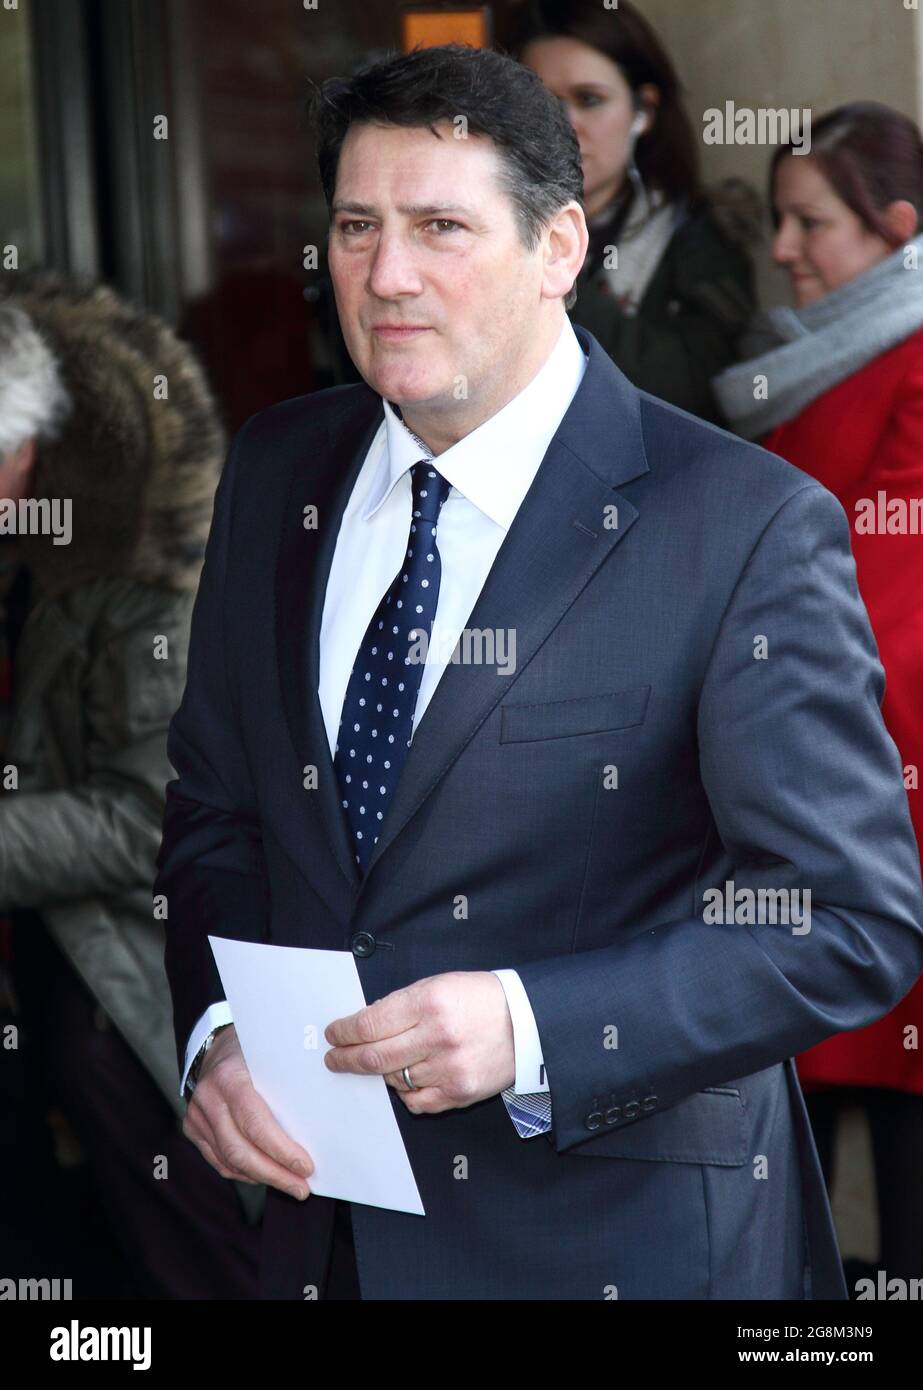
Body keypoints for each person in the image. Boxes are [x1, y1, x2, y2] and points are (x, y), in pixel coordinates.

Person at [156, 45, 923, 1301]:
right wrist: (218, 1034)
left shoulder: (737, 525)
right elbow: (216, 813)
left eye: (439, 227)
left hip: (618, 1245)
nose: (385, 275)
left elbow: (845, 919)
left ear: (560, 247)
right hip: (323, 1232)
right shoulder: (277, 468)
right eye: (356, 225)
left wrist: (527, 1027)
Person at [0, 277, 263, 1298]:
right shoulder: (31, 548)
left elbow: (148, 811)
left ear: (29, 450)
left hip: (131, 998)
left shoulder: (151, 583)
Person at [714, 102, 923, 1285]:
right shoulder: (808, 350)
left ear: (895, 228)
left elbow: (885, 594)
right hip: (801, 768)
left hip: (866, 772)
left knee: (881, 1077)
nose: (783, 248)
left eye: (812, 223)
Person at [508, 0, 758, 424]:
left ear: (643, 112)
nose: (565, 125)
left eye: (590, 99)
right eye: (544, 104)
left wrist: (550, 263)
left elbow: (692, 397)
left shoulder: (701, 237)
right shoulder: (479, 227)